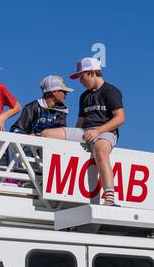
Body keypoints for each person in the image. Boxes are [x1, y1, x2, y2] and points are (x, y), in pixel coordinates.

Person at [40, 57, 125, 205]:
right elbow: (79, 124)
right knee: (46, 134)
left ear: (92, 72)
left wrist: (98, 132)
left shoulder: (110, 91)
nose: (80, 81)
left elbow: (120, 119)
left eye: (81, 76)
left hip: (106, 132)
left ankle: (109, 198)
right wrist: (71, 139)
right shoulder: (84, 96)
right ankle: (41, 178)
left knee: (100, 149)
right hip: (85, 131)